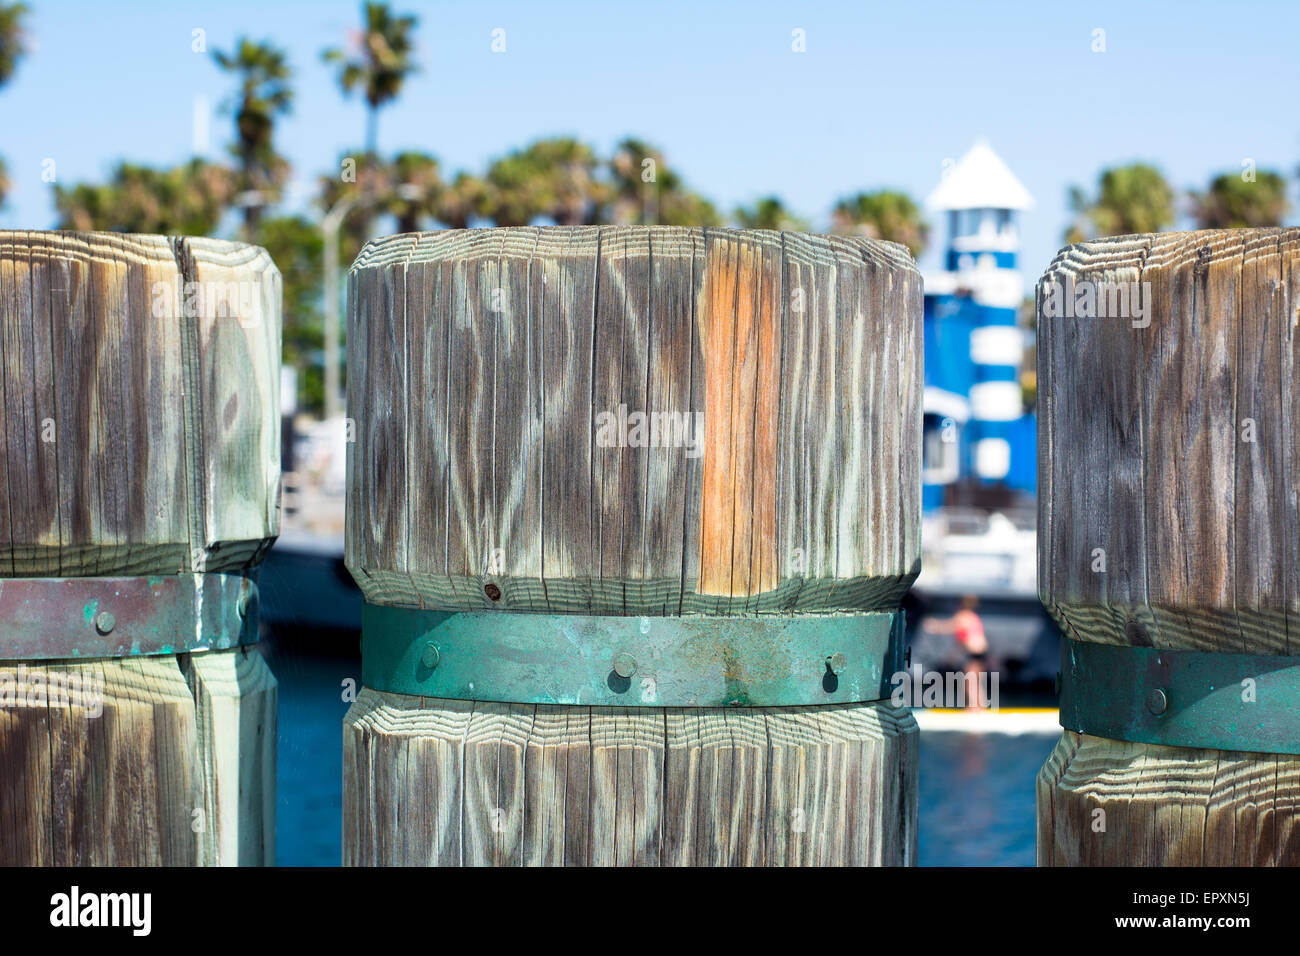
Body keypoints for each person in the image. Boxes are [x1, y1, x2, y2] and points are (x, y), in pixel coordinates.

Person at [921, 594, 988, 709]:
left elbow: (949, 627)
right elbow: (963, 642)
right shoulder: (972, 616)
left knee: (970, 681)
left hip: (974, 653)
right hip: (979, 652)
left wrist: (933, 626)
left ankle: (974, 708)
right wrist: (953, 656)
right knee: (975, 681)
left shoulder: (964, 616)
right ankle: (979, 707)